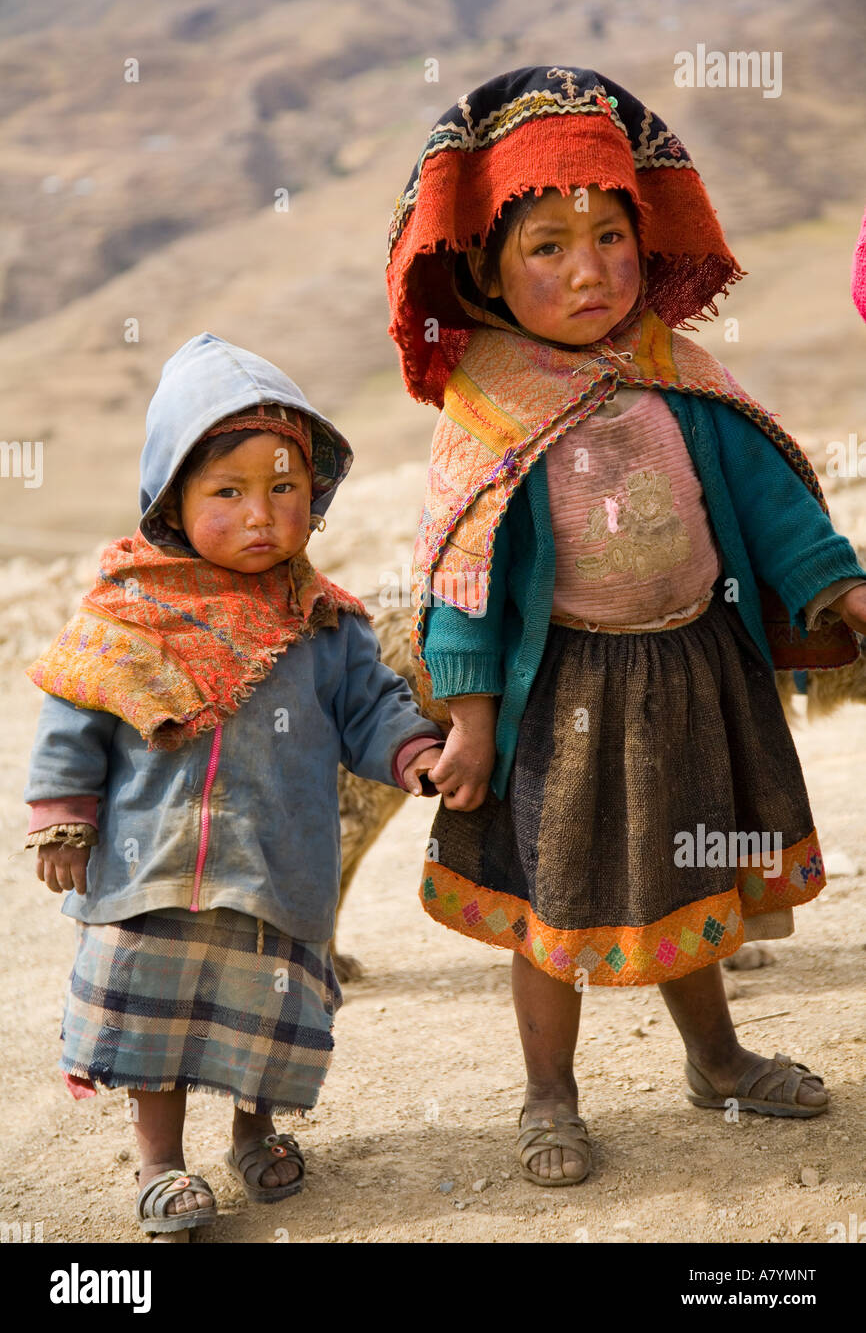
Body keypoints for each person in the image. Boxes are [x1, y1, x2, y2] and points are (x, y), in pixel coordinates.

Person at [385, 66, 866, 1186]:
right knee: (547, 903)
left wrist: (837, 588)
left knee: (688, 871)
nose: (589, 267)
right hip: (560, 696)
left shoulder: (674, 372)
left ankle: (717, 1058)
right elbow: (462, 581)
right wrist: (464, 717)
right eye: (546, 244)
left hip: (694, 668)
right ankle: (547, 1095)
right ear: (481, 270)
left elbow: (770, 505)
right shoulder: (490, 406)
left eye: (609, 233)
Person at [23, 333, 445, 1234]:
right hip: (154, 867)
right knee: (156, 1024)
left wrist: (410, 751)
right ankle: (162, 1165)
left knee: (264, 1012)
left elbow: (371, 707)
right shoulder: (129, 611)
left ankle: (256, 1135)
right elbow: (77, 712)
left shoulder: (325, 622)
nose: (262, 514)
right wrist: (63, 816)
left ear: (315, 495)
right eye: (229, 492)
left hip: (275, 869)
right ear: (173, 498)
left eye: (283, 488)